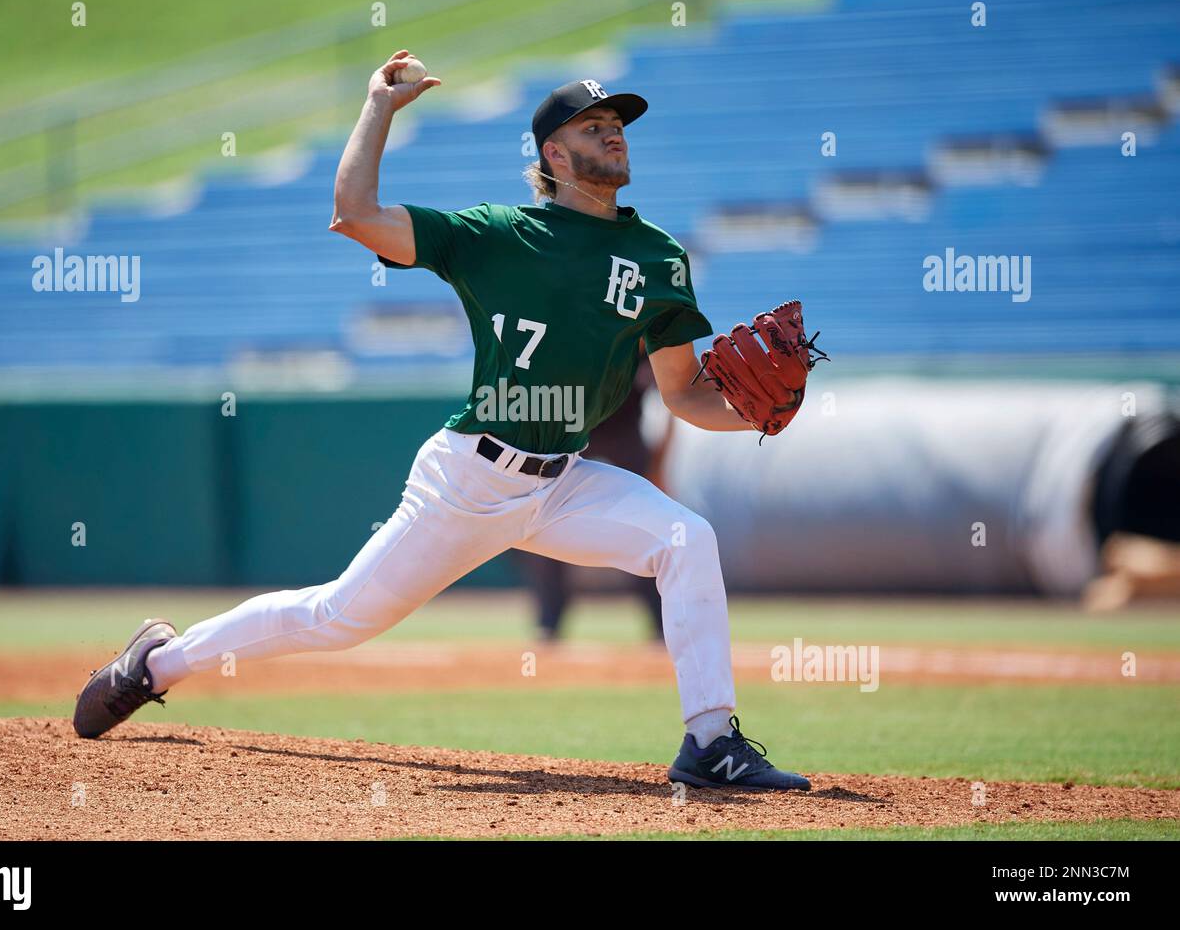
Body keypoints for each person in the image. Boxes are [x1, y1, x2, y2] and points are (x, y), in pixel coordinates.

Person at [73, 52, 811, 792]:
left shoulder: (658, 256)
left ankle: (709, 742)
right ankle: (157, 663)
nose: (614, 133)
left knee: (686, 539)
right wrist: (379, 108)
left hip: (564, 483)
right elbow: (355, 214)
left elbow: (684, 394)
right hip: (469, 480)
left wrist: (756, 414)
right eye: (594, 126)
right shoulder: (496, 235)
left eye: (617, 123)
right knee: (337, 618)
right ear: (554, 155)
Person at [510, 339, 670, 645]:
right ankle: (548, 624)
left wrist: (659, 465)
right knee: (543, 521)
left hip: (625, 435)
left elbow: (672, 402)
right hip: (572, 433)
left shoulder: (647, 345)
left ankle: (661, 627)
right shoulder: (586, 335)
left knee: (648, 527)